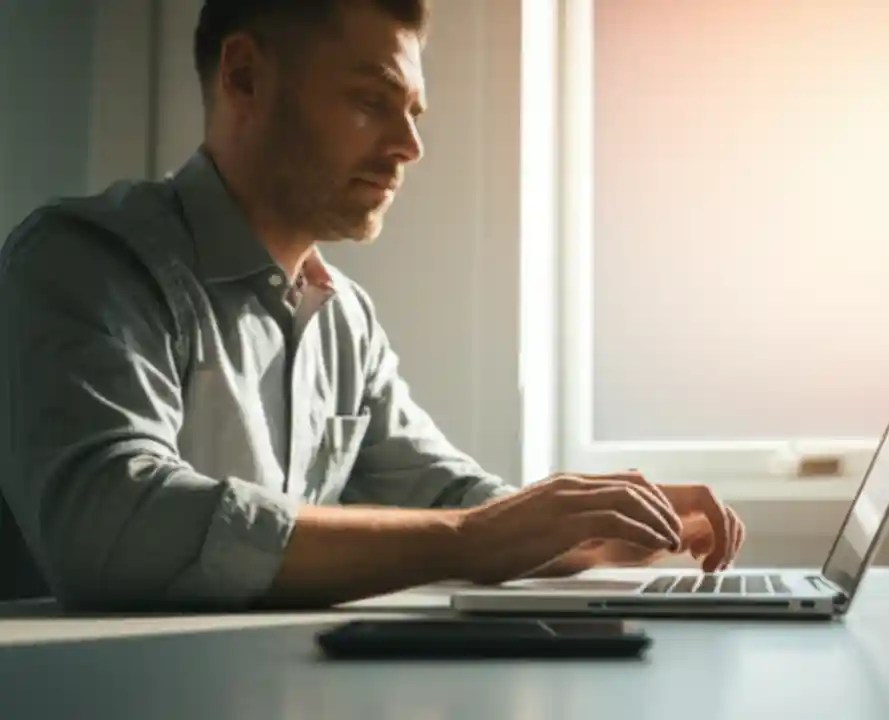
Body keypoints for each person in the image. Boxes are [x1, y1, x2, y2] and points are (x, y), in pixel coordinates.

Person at [0, 0, 744, 610]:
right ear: (246, 76)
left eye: (414, 110)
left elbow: (451, 498)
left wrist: (583, 528)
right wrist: (473, 538)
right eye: (370, 101)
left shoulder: (343, 320)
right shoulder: (82, 261)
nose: (411, 144)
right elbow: (109, 522)